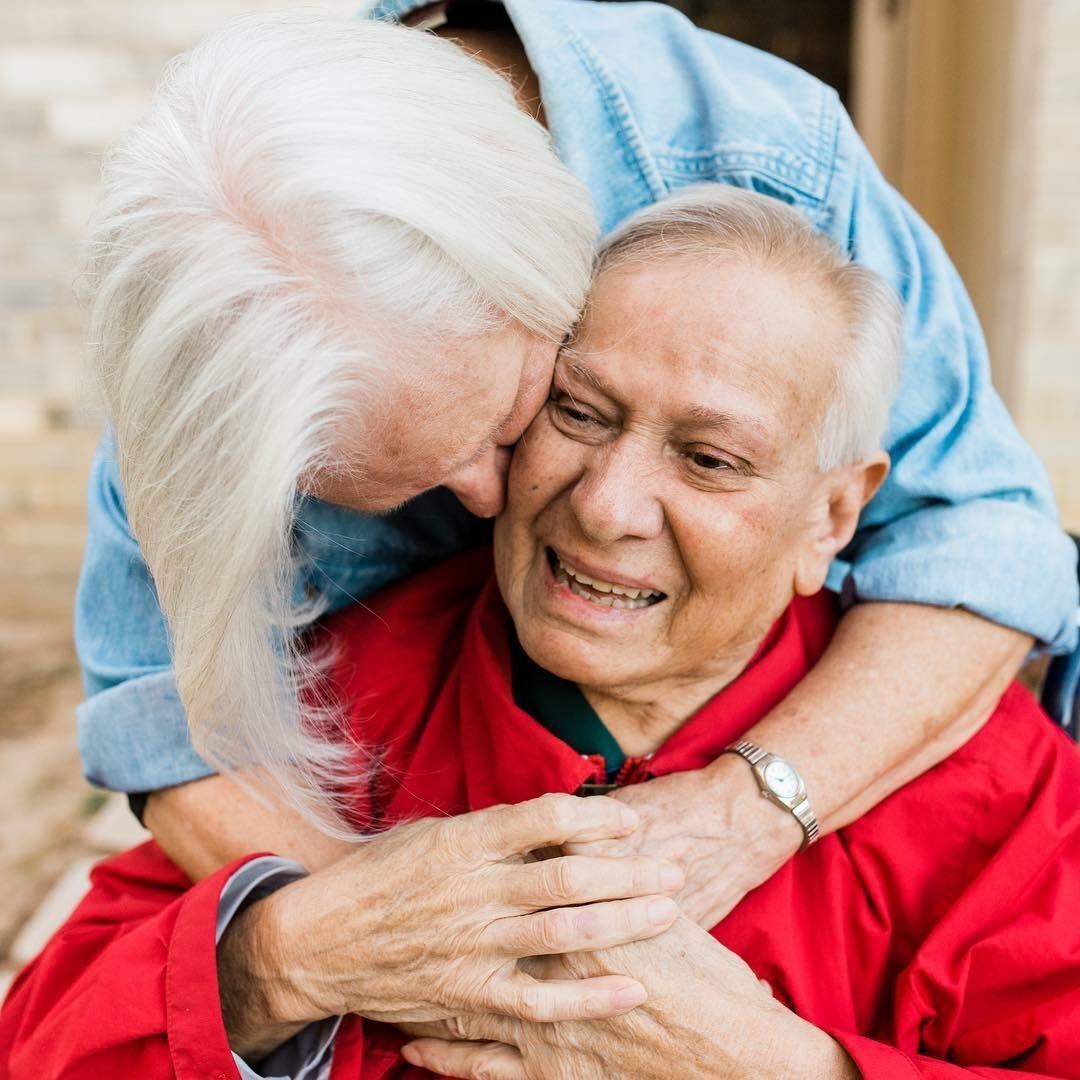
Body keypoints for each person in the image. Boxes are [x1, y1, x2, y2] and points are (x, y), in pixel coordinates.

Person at [74, 0, 1076, 993]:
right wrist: (399, 943)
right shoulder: (216, 300)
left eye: (524, 413)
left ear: (564, 270)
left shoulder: (755, 153)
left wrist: (745, 813)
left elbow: (982, 542)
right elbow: (158, 715)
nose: (489, 498)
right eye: (382, 482)